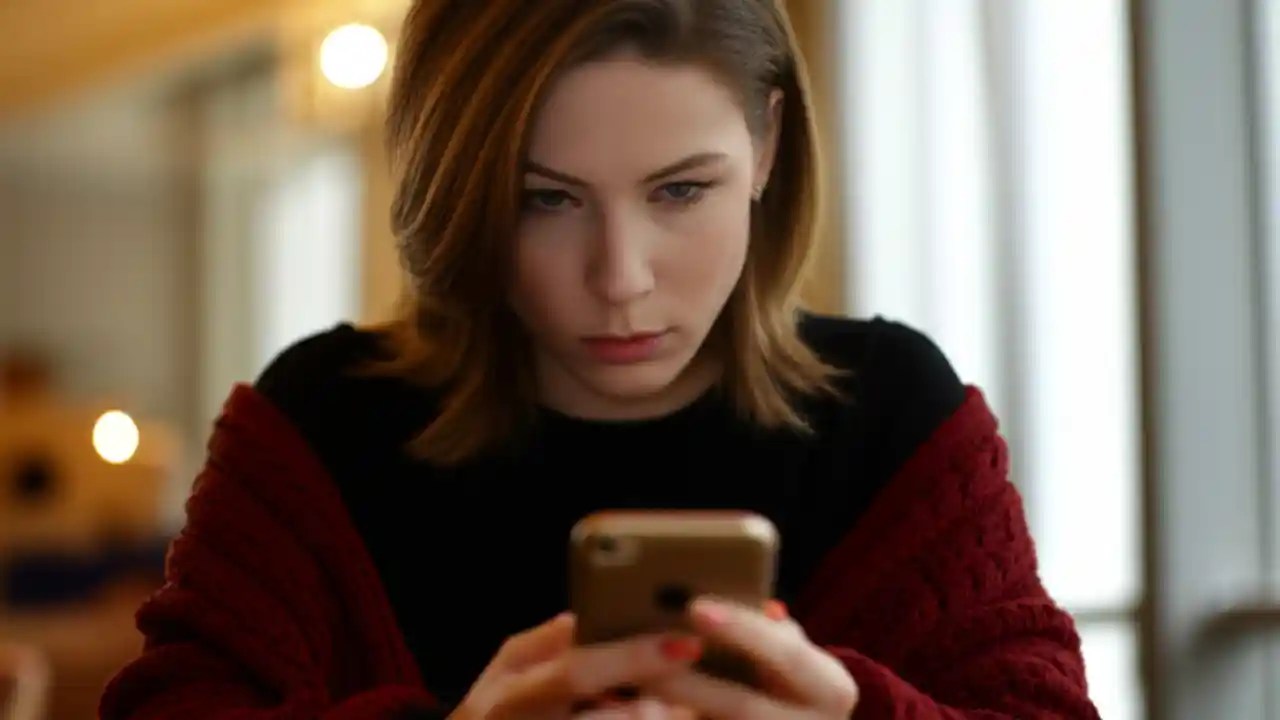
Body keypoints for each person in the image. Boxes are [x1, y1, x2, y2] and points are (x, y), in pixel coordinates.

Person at [99, 1, 1100, 718]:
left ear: (765, 145)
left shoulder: (894, 413)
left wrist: (851, 717)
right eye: (547, 199)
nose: (618, 278)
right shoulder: (316, 424)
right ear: (460, 191)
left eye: (677, 192)